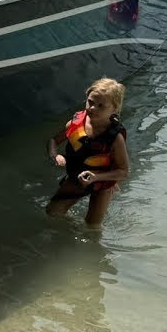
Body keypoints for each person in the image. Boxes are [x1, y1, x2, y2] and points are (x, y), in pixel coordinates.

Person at [45, 78, 129, 227]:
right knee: (52, 212)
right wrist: (54, 154)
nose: (92, 108)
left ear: (114, 109)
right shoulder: (76, 123)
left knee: (92, 226)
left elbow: (123, 171)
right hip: (77, 176)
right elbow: (53, 140)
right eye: (90, 102)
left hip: (103, 182)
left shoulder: (116, 138)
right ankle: (73, 227)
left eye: (101, 106)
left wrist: (97, 177)